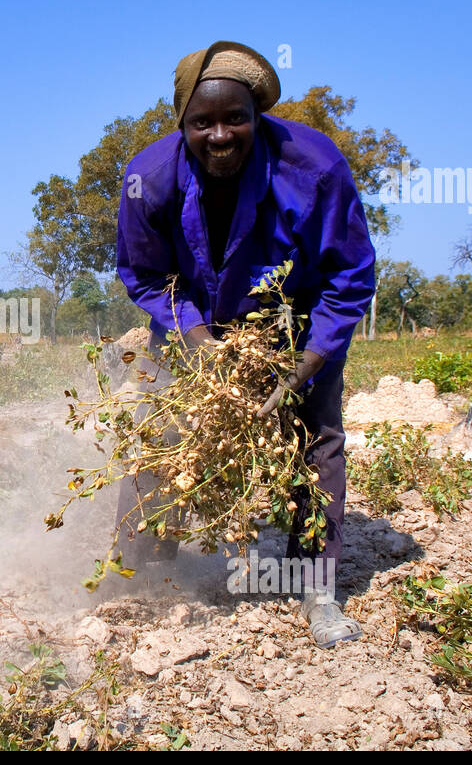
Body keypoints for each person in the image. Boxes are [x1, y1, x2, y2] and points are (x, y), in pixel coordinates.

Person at [114, 41, 376, 647]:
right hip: (194, 320)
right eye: (202, 122)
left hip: (295, 320)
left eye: (236, 117)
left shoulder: (314, 167)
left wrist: (306, 364)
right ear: (182, 122)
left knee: (315, 439)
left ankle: (314, 589)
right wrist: (203, 342)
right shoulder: (145, 180)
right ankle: (140, 571)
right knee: (166, 433)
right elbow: (148, 277)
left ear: (258, 114)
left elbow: (350, 274)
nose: (221, 135)